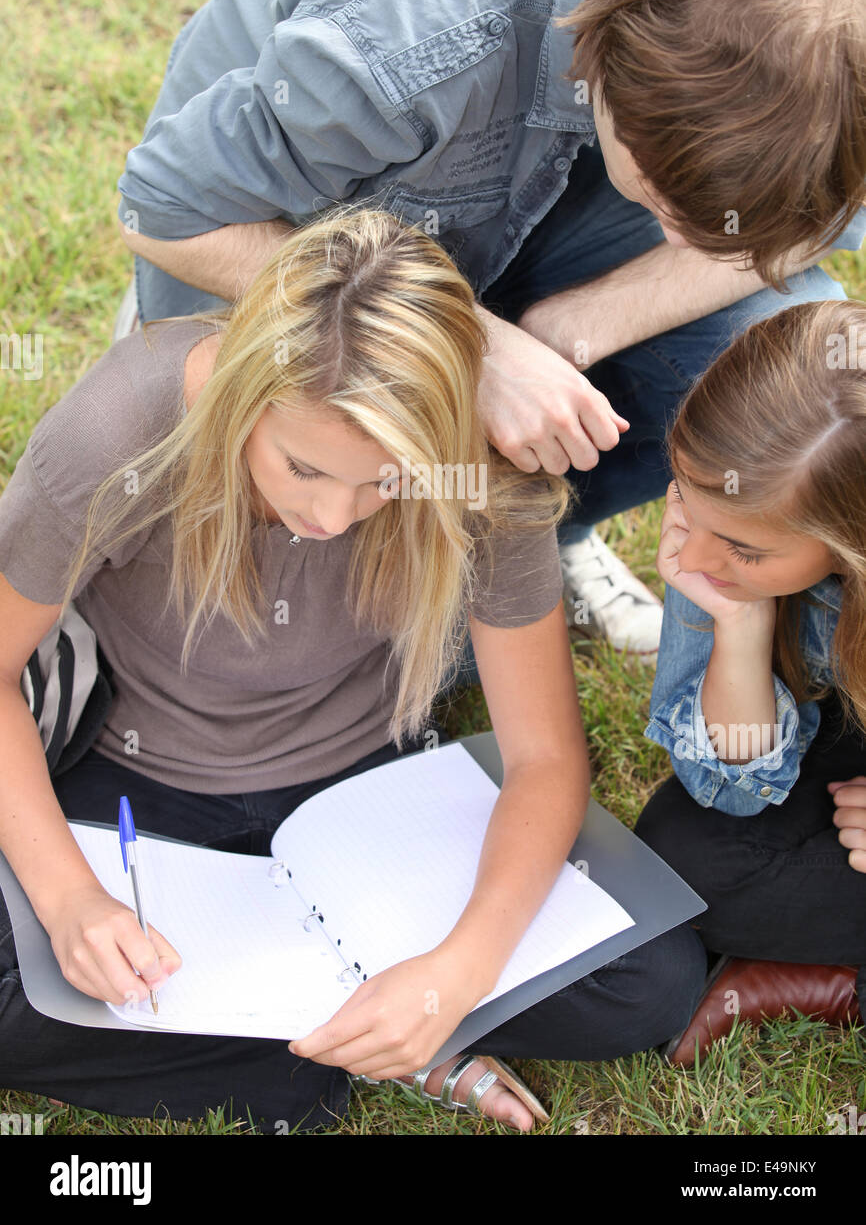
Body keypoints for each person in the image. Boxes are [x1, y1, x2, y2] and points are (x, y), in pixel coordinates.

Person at [0, 208, 705, 1133]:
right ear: (245, 392)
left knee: (646, 983)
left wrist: (459, 972)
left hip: (366, 791)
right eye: (303, 468)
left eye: (385, 481)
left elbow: (542, 756)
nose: (335, 516)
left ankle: (330, 1029)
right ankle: (367, 1048)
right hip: (140, 782)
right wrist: (72, 900)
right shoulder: (120, 431)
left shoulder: (478, 473)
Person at [113, 0, 866, 659]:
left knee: (783, 350)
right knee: (288, 646)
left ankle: (540, 538)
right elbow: (162, 211)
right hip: (279, 238)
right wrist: (464, 346)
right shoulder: (408, 35)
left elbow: (809, 221)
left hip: (516, 213)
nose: (704, 246)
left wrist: (569, 330)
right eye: (674, 207)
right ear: (608, 86)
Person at [634, 299, 866, 1066]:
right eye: (685, 503)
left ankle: (835, 982)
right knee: (683, 861)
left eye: (742, 549)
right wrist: (740, 626)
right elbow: (728, 790)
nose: (692, 559)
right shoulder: (720, 525)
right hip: (837, 749)